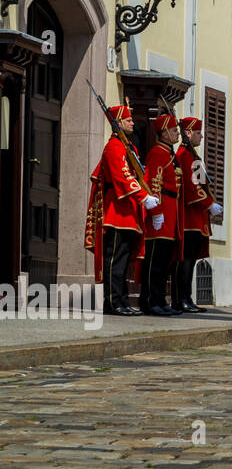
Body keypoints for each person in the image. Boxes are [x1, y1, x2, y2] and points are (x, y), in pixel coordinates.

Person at [84, 103, 161, 316]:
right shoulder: (114, 147)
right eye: (128, 120)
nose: (132, 123)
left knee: (123, 261)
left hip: (128, 213)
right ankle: (113, 302)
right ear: (118, 123)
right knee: (115, 261)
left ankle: (122, 301)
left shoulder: (129, 147)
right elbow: (122, 176)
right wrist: (143, 196)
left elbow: (137, 175)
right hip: (116, 213)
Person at [175, 117, 221, 312]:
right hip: (189, 217)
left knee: (191, 260)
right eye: (198, 133)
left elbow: (202, 184)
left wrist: (210, 202)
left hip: (197, 216)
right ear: (188, 134)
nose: (201, 136)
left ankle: (187, 298)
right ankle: (181, 299)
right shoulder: (185, 156)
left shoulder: (194, 157)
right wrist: (209, 204)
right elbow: (193, 186)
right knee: (185, 260)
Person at [141, 113, 185, 316]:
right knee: (155, 262)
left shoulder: (169, 154)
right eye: (175, 130)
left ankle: (160, 299)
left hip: (171, 211)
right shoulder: (158, 154)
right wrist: (156, 212)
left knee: (164, 261)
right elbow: (153, 184)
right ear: (165, 133)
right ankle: (150, 300)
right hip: (162, 213)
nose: (177, 133)